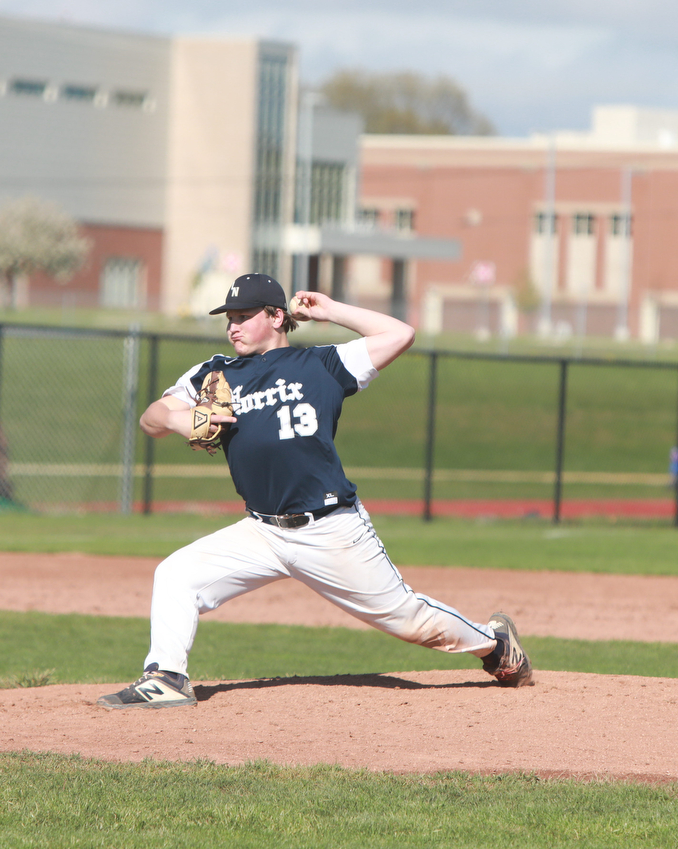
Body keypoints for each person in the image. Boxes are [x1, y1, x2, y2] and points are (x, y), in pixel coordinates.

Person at [98, 273, 533, 710]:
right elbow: (152, 418)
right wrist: (181, 419)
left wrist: (332, 311)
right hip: (262, 531)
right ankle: (167, 677)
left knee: (408, 619)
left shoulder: (322, 364)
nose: (233, 326)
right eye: (230, 318)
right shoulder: (216, 373)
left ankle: (495, 645)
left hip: (330, 528)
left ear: (276, 317)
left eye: (244, 316)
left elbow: (401, 334)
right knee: (176, 574)